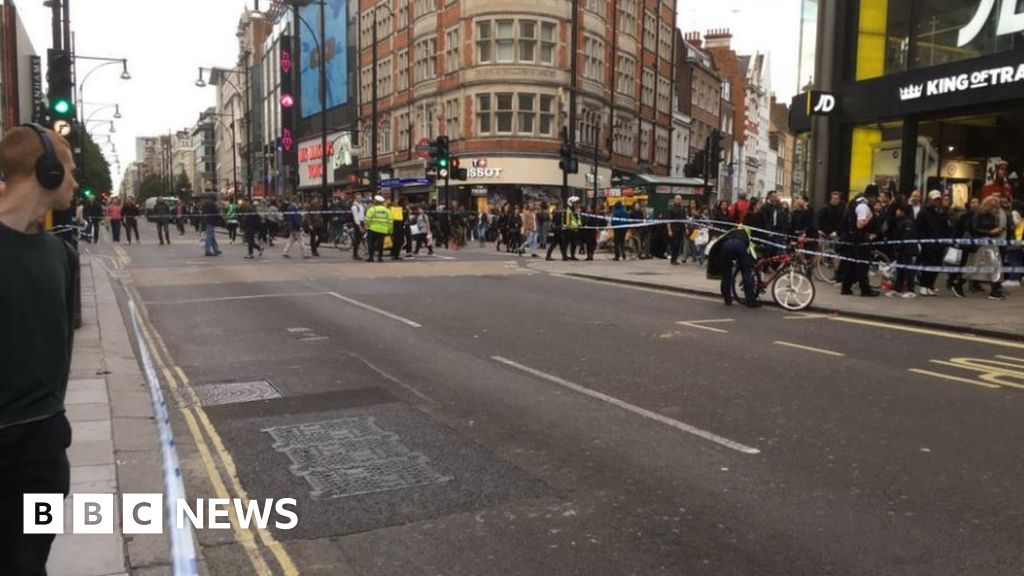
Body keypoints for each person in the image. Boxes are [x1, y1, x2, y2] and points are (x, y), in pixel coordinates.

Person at [0, 124, 79, 575]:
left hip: (44, 452)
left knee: (31, 563)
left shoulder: (61, 255)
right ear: (46, 170)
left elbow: (60, 349)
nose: (74, 181)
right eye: (69, 170)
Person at [840, 187, 881, 297]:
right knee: (862, 265)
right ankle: (865, 289)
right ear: (871, 196)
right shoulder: (864, 206)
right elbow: (860, 224)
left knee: (851, 264)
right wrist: (870, 217)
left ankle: (846, 288)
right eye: (875, 197)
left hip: (853, 238)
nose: (876, 200)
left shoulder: (857, 202)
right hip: (861, 239)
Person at [967, 195, 1007, 300]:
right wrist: (989, 232)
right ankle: (962, 283)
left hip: (991, 243)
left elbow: (994, 227)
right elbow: (974, 229)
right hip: (981, 243)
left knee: (995, 264)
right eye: (992, 206)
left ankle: (995, 289)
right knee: (978, 265)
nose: (994, 209)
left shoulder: (993, 215)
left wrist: (997, 231)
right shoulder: (978, 214)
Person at [710, 225, 760, 307]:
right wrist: (752, 261)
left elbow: (719, 243)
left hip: (726, 247)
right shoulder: (746, 234)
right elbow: (750, 249)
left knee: (726, 275)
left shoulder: (729, 232)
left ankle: (727, 299)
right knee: (746, 273)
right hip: (740, 246)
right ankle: (750, 301)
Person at [915, 190, 950, 297]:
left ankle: (930, 286)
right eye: (934, 200)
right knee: (928, 264)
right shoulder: (924, 212)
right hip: (928, 243)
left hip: (939, 244)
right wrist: (921, 241)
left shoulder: (940, 212)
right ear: (929, 200)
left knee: (937, 265)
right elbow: (918, 227)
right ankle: (923, 285)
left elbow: (945, 226)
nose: (937, 202)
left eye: (938, 199)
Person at [887, 203, 919, 298]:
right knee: (900, 270)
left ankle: (911, 290)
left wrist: (899, 246)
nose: (897, 212)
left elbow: (907, 236)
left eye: (898, 210)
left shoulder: (908, 222)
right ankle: (897, 289)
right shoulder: (900, 221)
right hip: (901, 250)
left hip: (907, 249)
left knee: (908, 270)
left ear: (903, 211)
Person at [364, 195, 392, 263]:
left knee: (371, 243)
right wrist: (390, 230)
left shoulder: (372, 210)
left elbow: (367, 219)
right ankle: (380, 258)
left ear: (375, 202)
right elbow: (390, 221)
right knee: (381, 244)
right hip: (383, 230)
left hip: (372, 229)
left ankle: (371, 257)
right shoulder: (387, 210)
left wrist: (367, 226)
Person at [665, 195, 686, 265]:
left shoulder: (682, 209)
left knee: (679, 245)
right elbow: (668, 220)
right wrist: (669, 230)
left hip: (681, 229)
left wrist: (686, 228)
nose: (679, 200)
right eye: (677, 199)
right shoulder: (671, 209)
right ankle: (673, 260)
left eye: (680, 199)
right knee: (674, 245)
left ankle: (675, 259)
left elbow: (684, 220)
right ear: (674, 200)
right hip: (674, 230)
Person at [350, 193, 366, 259]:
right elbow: (356, 217)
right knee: (357, 239)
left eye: (360, 198)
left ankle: (360, 251)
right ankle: (355, 254)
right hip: (358, 223)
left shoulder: (361, 205)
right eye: (358, 198)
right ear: (355, 199)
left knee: (360, 238)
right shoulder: (354, 207)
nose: (360, 199)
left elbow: (363, 215)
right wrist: (359, 226)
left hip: (362, 222)